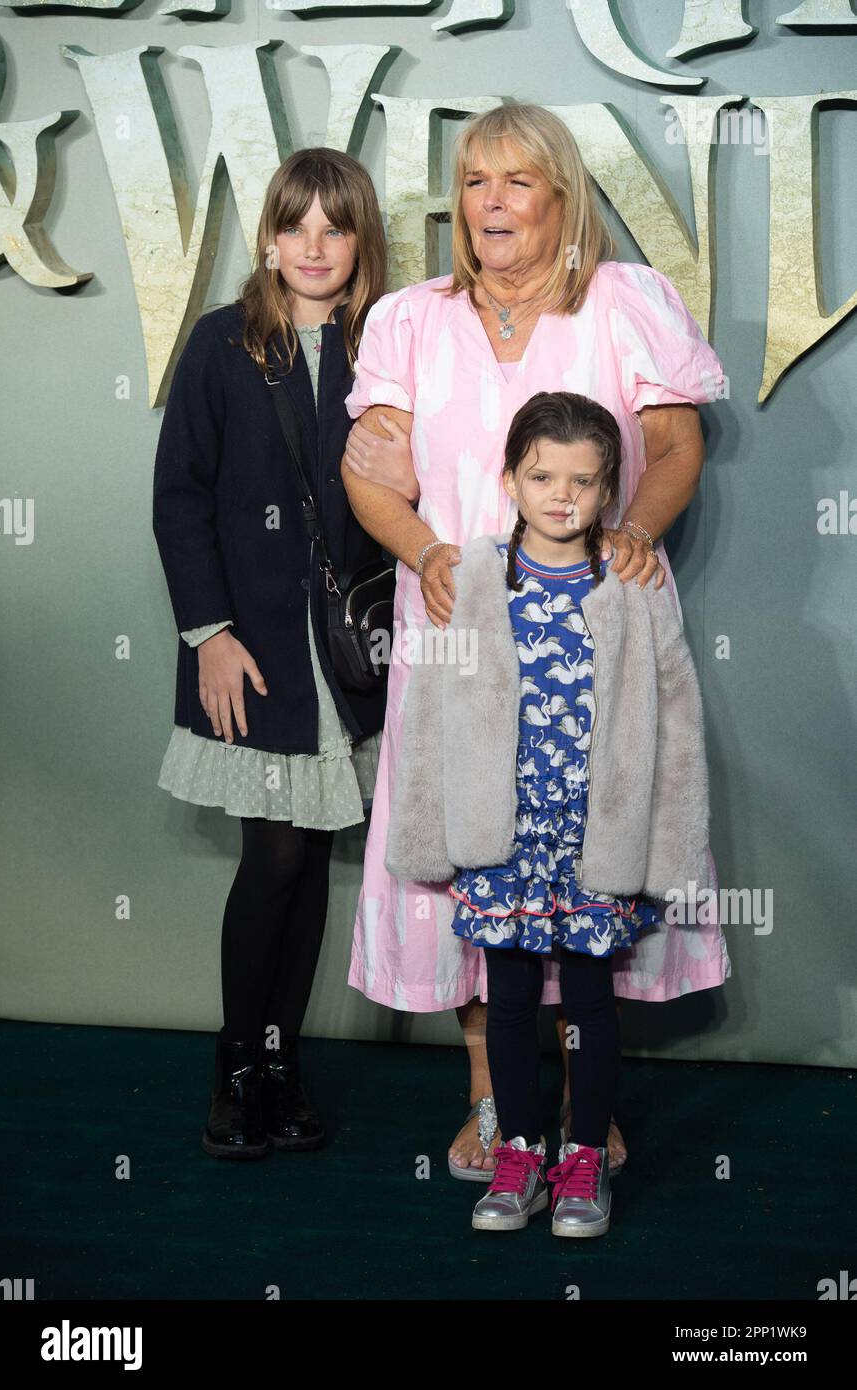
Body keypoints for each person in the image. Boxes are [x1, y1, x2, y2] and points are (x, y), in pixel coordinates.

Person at [340, 102, 730, 1179]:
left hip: (591, 643)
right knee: (478, 859)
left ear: (562, 195)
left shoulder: (623, 299)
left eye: (516, 180)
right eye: (472, 182)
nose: (491, 202)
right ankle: (492, 1103)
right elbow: (369, 469)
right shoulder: (410, 317)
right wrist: (426, 554)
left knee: (585, 859)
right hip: (460, 640)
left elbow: (672, 442)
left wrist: (635, 536)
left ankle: (579, 1104)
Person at [385, 390, 716, 1235]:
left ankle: (581, 1165)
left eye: (583, 480)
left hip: (594, 840)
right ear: (510, 479)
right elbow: (429, 713)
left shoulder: (632, 586)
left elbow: (676, 723)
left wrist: (671, 847)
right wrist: (427, 830)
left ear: (610, 490)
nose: (561, 495)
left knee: (592, 1000)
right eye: (541, 475)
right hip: (503, 843)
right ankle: (520, 1155)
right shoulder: (475, 579)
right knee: (508, 994)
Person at [152, 149, 389, 1159]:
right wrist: (208, 633)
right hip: (250, 647)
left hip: (351, 651)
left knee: (313, 860)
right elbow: (179, 498)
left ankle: (281, 1064)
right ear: (269, 235)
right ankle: (236, 1069)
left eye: (334, 228)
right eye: (296, 226)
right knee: (274, 854)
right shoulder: (220, 342)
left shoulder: (389, 343)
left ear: (357, 239)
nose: (314, 247)